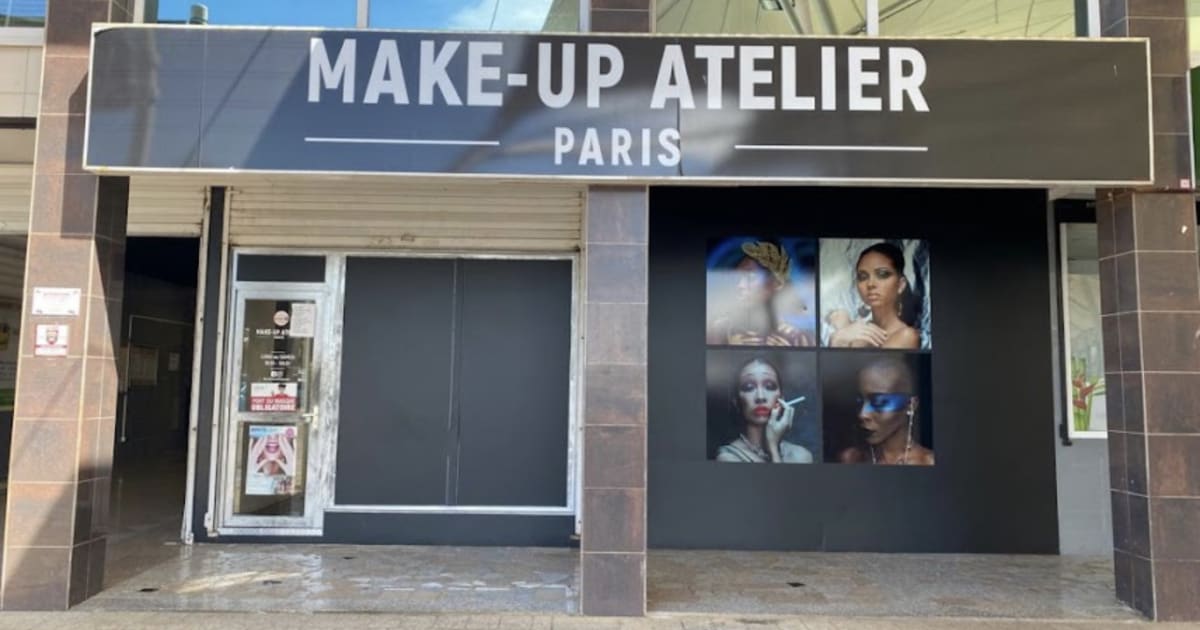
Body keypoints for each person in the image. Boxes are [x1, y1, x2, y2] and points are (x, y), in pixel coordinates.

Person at [708, 240, 815, 347]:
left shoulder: (800, 336)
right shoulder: (720, 329)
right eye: (738, 277)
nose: (740, 285)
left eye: (751, 277)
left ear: (776, 283)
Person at [716, 357, 813, 463]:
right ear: (736, 402)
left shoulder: (801, 456)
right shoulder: (728, 457)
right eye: (749, 387)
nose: (760, 397)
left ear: (781, 399)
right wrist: (773, 448)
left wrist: (773, 447)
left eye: (769, 386)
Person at [838, 358, 934, 465]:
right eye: (860, 401)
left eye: (879, 402)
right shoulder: (852, 458)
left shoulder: (927, 461)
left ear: (910, 405)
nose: (862, 414)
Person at [826, 242, 921, 349]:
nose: (870, 284)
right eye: (863, 276)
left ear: (900, 285)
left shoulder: (907, 336)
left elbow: (869, 365)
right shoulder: (856, 329)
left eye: (882, 274)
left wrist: (841, 333)